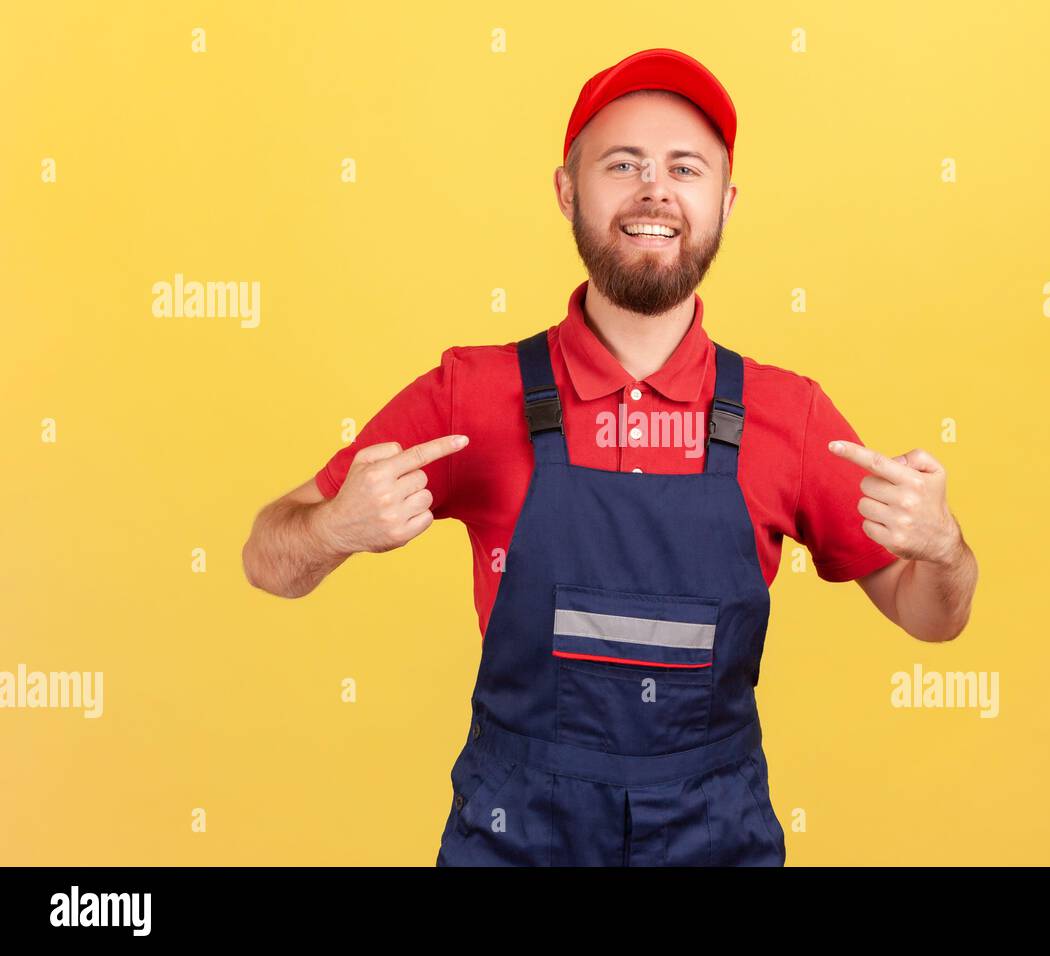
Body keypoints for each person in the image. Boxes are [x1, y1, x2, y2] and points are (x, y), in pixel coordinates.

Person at [242, 48, 979, 866]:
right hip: (516, 835)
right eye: (622, 163)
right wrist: (334, 528)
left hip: (715, 836)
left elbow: (933, 619)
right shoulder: (470, 394)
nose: (654, 190)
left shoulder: (789, 415)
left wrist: (943, 551)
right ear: (567, 190)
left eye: (684, 168)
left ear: (725, 201)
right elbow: (268, 559)